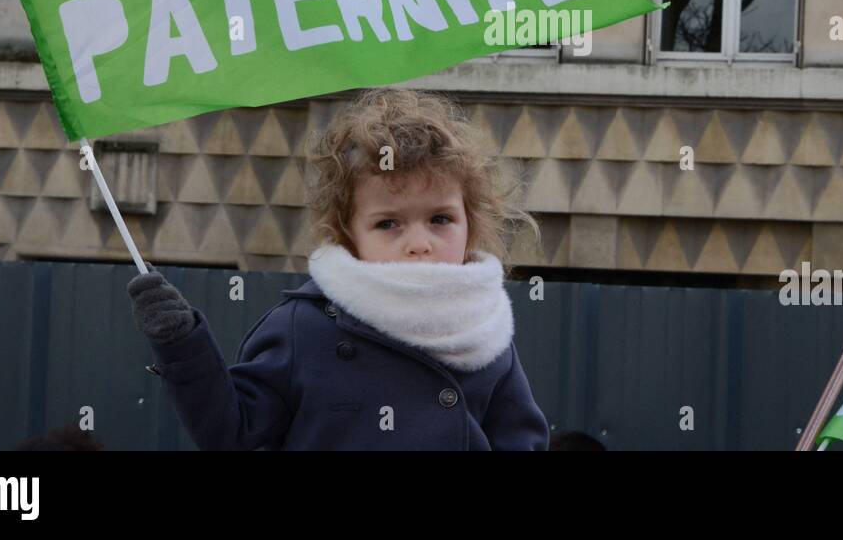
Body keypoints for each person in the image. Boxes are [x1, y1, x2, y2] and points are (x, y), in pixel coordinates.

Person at [126, 88, 549, 450]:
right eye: (388, 223)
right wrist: (182, 344)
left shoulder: (484, 331)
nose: (419, 244)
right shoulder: (304, 328)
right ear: (349, 235)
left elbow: (522, 441)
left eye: (440, 219)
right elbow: (230, 433)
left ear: (471, 226)